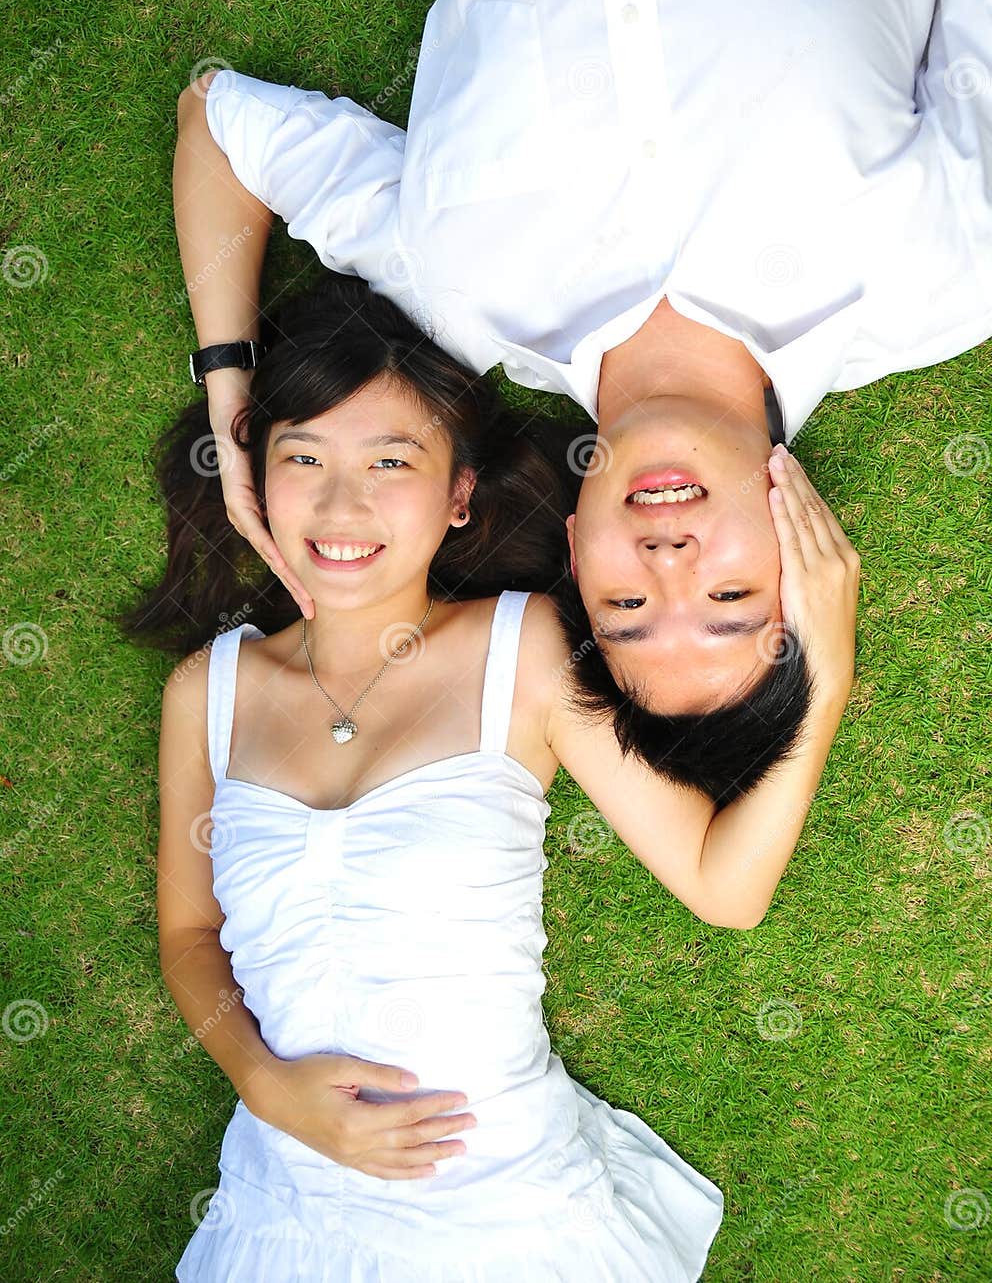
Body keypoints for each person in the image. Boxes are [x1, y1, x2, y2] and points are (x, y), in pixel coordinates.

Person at [168, 0, 988, 797]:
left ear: (572, 547)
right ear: (802, 549)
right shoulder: (933, 273)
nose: (668, 557)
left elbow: (221, 127)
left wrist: (229, 392)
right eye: (729, 593)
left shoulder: (463, 294)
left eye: (626, 605)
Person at [120, 276, 857, 1280]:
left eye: (391, 460)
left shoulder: (520, 651)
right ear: (258, 478)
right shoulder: (206, 689)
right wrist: (264, 1084)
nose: (343, 505)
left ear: (459, 494)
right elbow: (186, 933)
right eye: (303, 459)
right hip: (286, 1197)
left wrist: (827, 671)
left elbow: (722, 884)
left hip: (504, 1203)